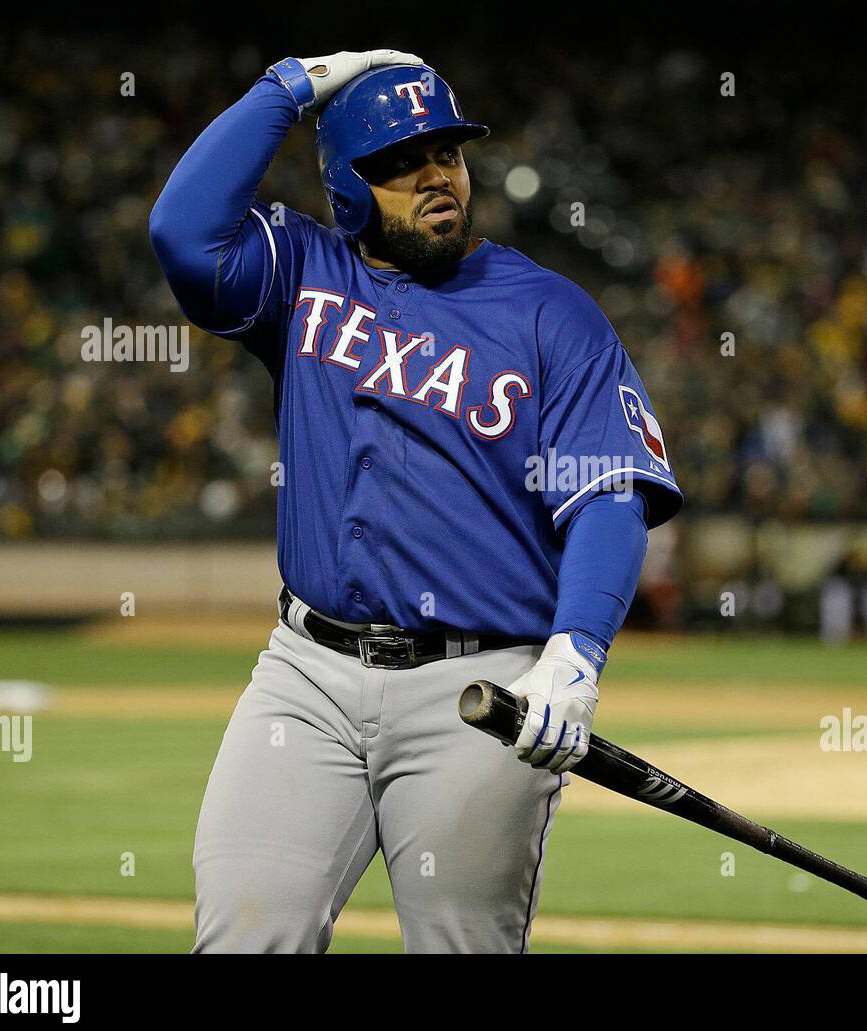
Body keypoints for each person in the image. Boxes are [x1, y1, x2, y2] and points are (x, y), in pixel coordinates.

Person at [149, 48, 682, 952]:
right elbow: (183, 232)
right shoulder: (301, 271)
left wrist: (575, 656)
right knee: (241, 937)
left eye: (446, 152)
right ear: (347, 189)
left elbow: (610, 496)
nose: (434, 174)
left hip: (477, 688)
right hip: (305, 678)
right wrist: (289, 87)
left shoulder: (551, 314)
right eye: (399, 161)